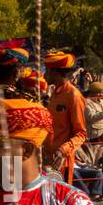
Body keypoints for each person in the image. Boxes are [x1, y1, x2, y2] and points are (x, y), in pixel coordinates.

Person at [43, 51, 87, 184]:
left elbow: (81, 134)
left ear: (55, 73)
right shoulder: (54, 94)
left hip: (62, 163)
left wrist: (63, 150)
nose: (44, 75)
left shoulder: (73, 95)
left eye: (47, 71)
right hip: (47, 160)